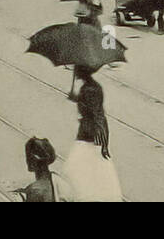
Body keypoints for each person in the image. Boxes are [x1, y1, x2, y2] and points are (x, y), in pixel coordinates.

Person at [63, 68, 122, 201]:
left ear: (82, 72)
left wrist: (103, 142)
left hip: (90, 133)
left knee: (81, 164)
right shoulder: (90, 87)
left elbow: (97, 114)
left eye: (77, 68)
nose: (75, 71)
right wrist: (76, 98)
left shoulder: (90, 89)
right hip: (87, 130)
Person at [20, 137, 73, 202]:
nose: (27, 160)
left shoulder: (35, 190)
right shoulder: (61, 182)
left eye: (28, 156)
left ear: (33, 159)